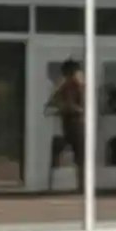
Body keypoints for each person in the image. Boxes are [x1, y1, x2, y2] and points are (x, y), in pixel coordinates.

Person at [46, 58, 86, 192]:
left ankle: (82, 185)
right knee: (62, 151)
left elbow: (84, 107)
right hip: (68, 124)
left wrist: (72, 108)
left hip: (78, 124)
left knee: (81, 156)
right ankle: (54, 182)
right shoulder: (64, 87)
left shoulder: (81, 86)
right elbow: (53, 102)